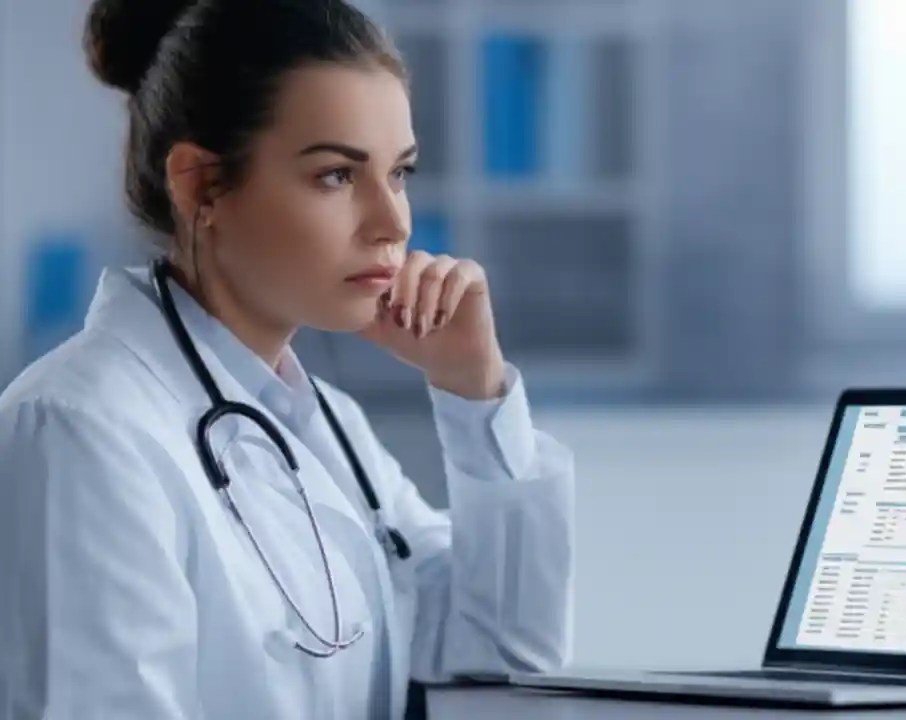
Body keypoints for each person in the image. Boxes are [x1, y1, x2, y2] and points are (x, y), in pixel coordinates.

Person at [0, 1, 575, 717]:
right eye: (337, 175)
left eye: (399, 174)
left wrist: (475, 391)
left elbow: (499, 655)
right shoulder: (81, 430)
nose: (393, 221)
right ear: (201, 186)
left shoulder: (323, 427)